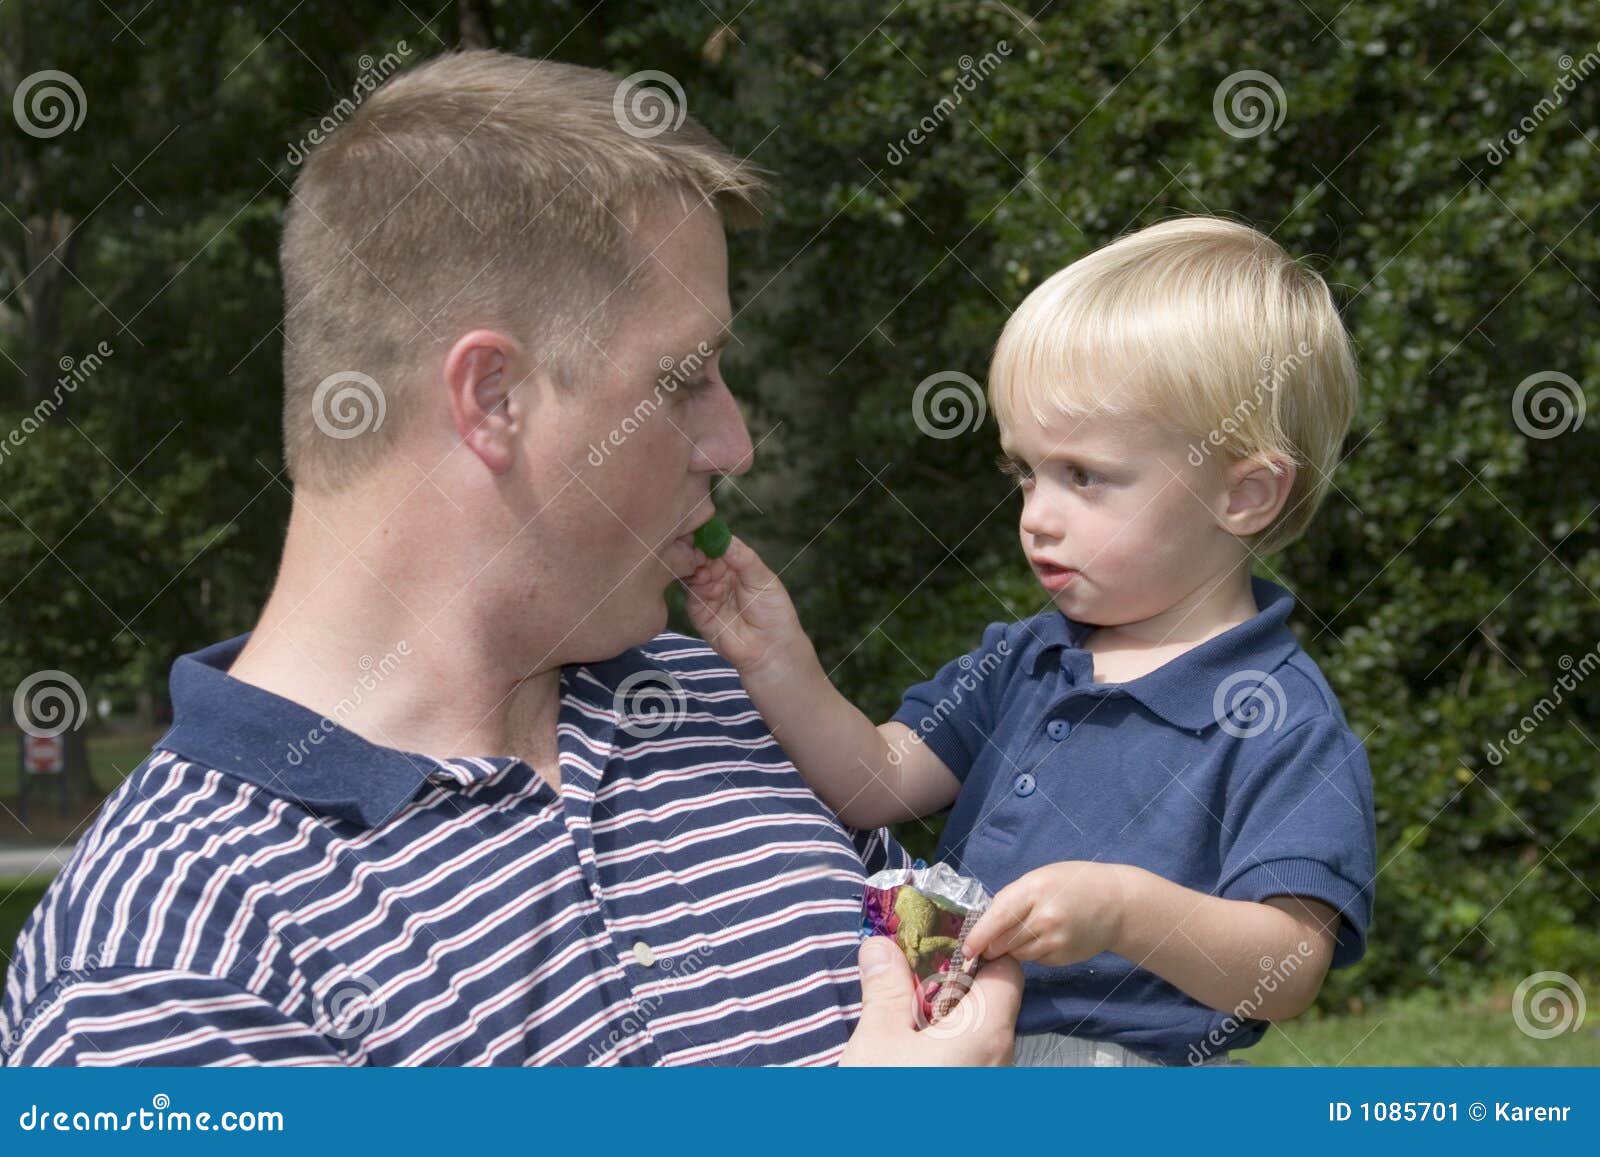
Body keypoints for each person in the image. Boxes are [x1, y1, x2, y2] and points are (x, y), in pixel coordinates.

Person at [0, 50, 1022, 1067]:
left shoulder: (736, 705)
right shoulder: (162, 965)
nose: (733, 444)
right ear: (493, 398)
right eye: (686, 377)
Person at [683, 217, 1378, 1066]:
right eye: (1025, 472)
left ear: (1246, 495)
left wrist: (1123, 909)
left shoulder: (1279, 716)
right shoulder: (1024, 659)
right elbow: (879, 781)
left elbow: (1292, 963)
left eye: (1083, 476)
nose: (1035, 516)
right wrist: (776, 658)